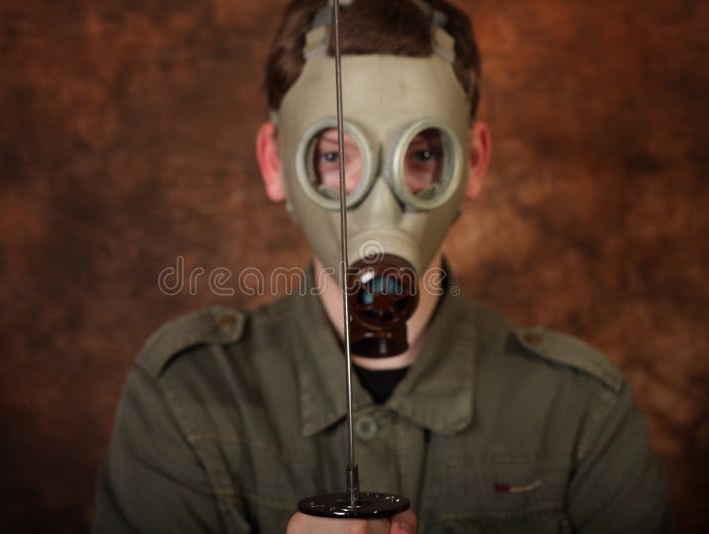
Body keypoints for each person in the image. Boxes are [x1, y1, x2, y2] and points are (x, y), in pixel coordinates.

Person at [93, 1, 673, 532]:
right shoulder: (186, 395)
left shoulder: (579, 414)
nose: (378, 200)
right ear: (277, 164)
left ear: (471, 164)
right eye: (331, 154)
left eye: (420, 154)